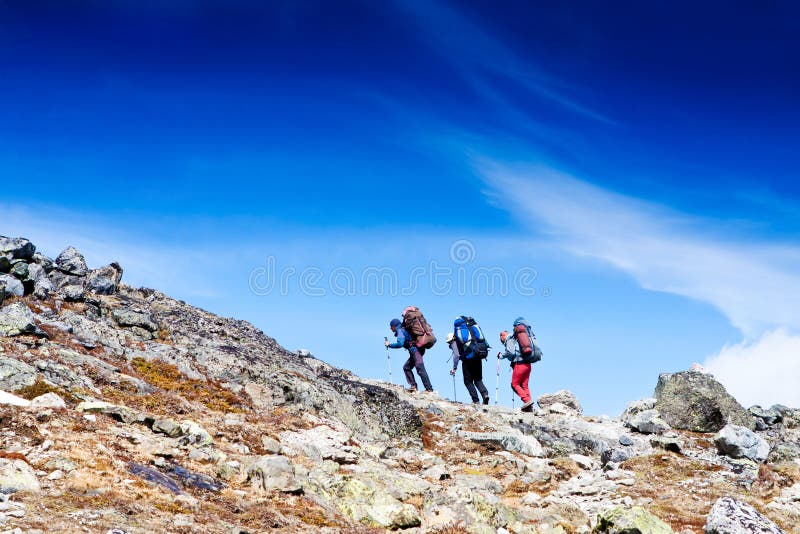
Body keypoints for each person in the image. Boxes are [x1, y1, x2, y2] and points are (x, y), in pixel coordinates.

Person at [386, 318, 433, 393]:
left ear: (394, 326)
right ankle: (414, 386)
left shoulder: (400, 331)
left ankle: (429, 389)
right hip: (416, 351)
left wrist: (389, 345)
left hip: (416, 351)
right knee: (406, 367)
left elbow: (400, 344)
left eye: (391, 326)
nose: (390, 328)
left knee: (420, 368)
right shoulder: (403, 329)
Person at [448, 332, 490, 405]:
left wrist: (454, 368)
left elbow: (456, 355)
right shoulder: (471, 336)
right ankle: (485, 395)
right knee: (478, 379)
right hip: (477, 357)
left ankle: (475, 400)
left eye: (449, 342)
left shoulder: (455, 342)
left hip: (467, 361)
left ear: (452, 339)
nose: (449, 344)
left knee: (468, 382)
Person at [498, 330, 534, 412]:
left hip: (519, 364)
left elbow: (510, 352)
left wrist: (501, 356)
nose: (501, 341)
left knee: (515, 384)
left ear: (502, 336)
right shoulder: (517, 339)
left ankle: (527, 401)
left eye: (500, 339)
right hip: (528, 364)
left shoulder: (509, 339)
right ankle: (530, 406)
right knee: (524, 385)